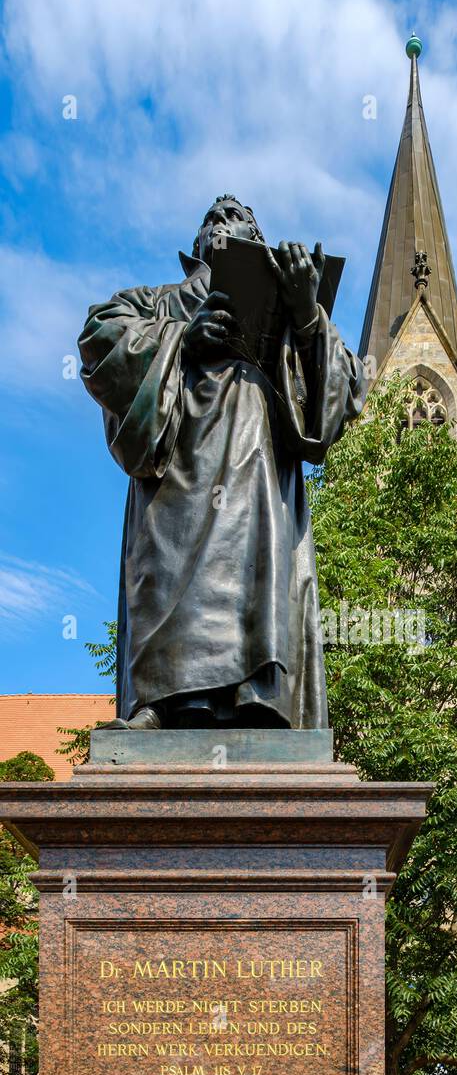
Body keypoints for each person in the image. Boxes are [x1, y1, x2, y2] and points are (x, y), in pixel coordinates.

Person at [79, 196, 363, 729]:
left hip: (255, 471)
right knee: (163, 576)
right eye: (212, 219)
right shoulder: (157, 301)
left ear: (256, 241)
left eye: (237, 219)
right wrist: (180, 338)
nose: (221, 223)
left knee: (251, 580)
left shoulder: (288, 304)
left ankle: (257, 700)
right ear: (194, 247)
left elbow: (342, 395)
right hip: (175, 477)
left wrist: (305, 314)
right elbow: (98, 337)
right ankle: (160, 706)